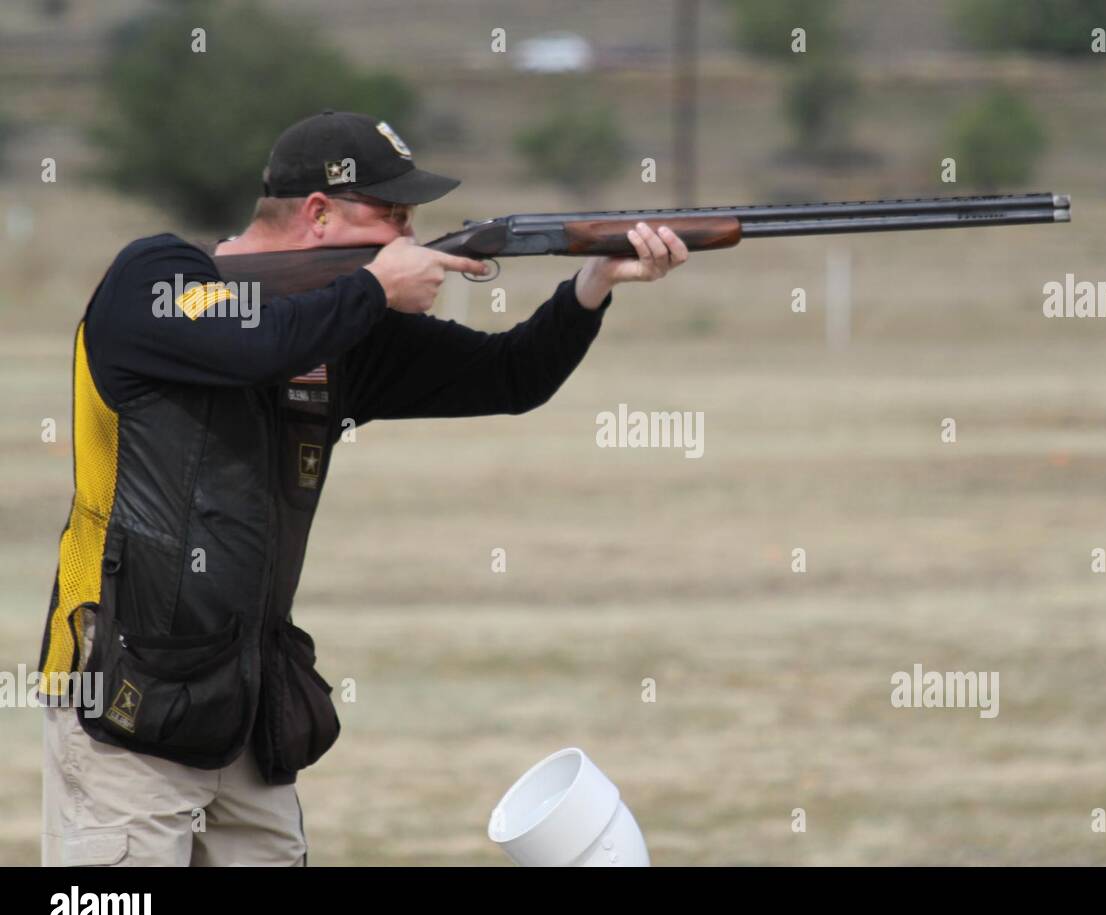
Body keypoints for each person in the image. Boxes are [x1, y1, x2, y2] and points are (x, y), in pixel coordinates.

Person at [37, 110, 688, 866]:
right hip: (121, 710)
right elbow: (252, 342)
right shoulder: (152, 279)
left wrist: (591, 285)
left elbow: (513, 375)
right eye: (393, 218)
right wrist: (374, 290)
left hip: (246, 715)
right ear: (317, 214)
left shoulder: (345, 329)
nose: (409, 241)